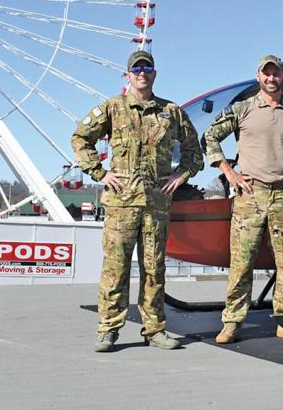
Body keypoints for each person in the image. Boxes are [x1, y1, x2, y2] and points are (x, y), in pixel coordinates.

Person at [71, 50, 203, 353]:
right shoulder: (112, 108)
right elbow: (80, 138)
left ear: (155, 73)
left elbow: (194, 151)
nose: (142, 73)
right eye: (137, 69)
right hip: (121, 205)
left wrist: (181, 176)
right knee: (115, 269)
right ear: (128, 75)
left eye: (147, 68)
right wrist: (99, 172)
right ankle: (108, 329)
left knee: (154, 269)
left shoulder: (171, 112)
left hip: (156, 205)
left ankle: (155, 329)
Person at [203, 55, 283, 344]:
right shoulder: (242, 110)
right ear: (258, 76)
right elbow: (210, 137)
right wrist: (229, 172)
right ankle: (232, 322)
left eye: (276, 74)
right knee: (241, 263)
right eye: (267, 73)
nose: (271, 78)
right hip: (250, 196)